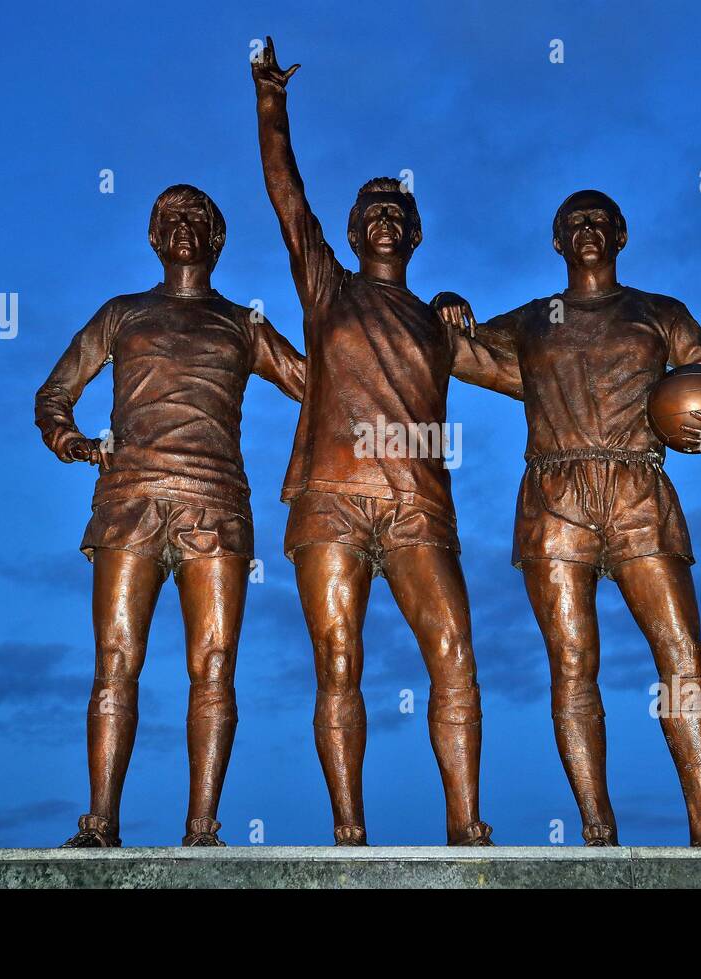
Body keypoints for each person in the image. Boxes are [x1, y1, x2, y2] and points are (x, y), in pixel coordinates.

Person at [435, 189, 701, 846]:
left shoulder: (659, 312)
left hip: (638, 485)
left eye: (599, 220)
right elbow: (455, 346)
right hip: (556, 494)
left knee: (684, 654)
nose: (587, 228)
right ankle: (595, 826)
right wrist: (443, 307)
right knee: (573, 661)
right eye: (573, 221)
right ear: (557, 242)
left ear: (622, 234)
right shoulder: (533, 320)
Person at [251, 38, 515, 845]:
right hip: (332, 497)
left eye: (398, 208)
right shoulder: (327, 287)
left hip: (417, 504)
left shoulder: (440, 326)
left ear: (417, 231)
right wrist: (271, 106)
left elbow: (527, 371)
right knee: (339, 661)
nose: (386, 216)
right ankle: (348, 831)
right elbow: (289, 200)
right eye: (372, 209)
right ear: (355, 229)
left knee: (456, 652)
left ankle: (467, 826)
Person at [35, 184, 305, 847]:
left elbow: (319, 384)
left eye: (199, 218)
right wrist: (67, 436)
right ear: (153, 238)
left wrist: (363, 322)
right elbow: (55, 390)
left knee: (214, 663)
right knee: (115, 658)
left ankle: (202, 828)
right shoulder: (122, 314)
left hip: (215, 504)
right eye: (171, 217)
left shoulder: (245, 324)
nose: (184, 225)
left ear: (218, 239)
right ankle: (99, 821)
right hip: (129, 500)